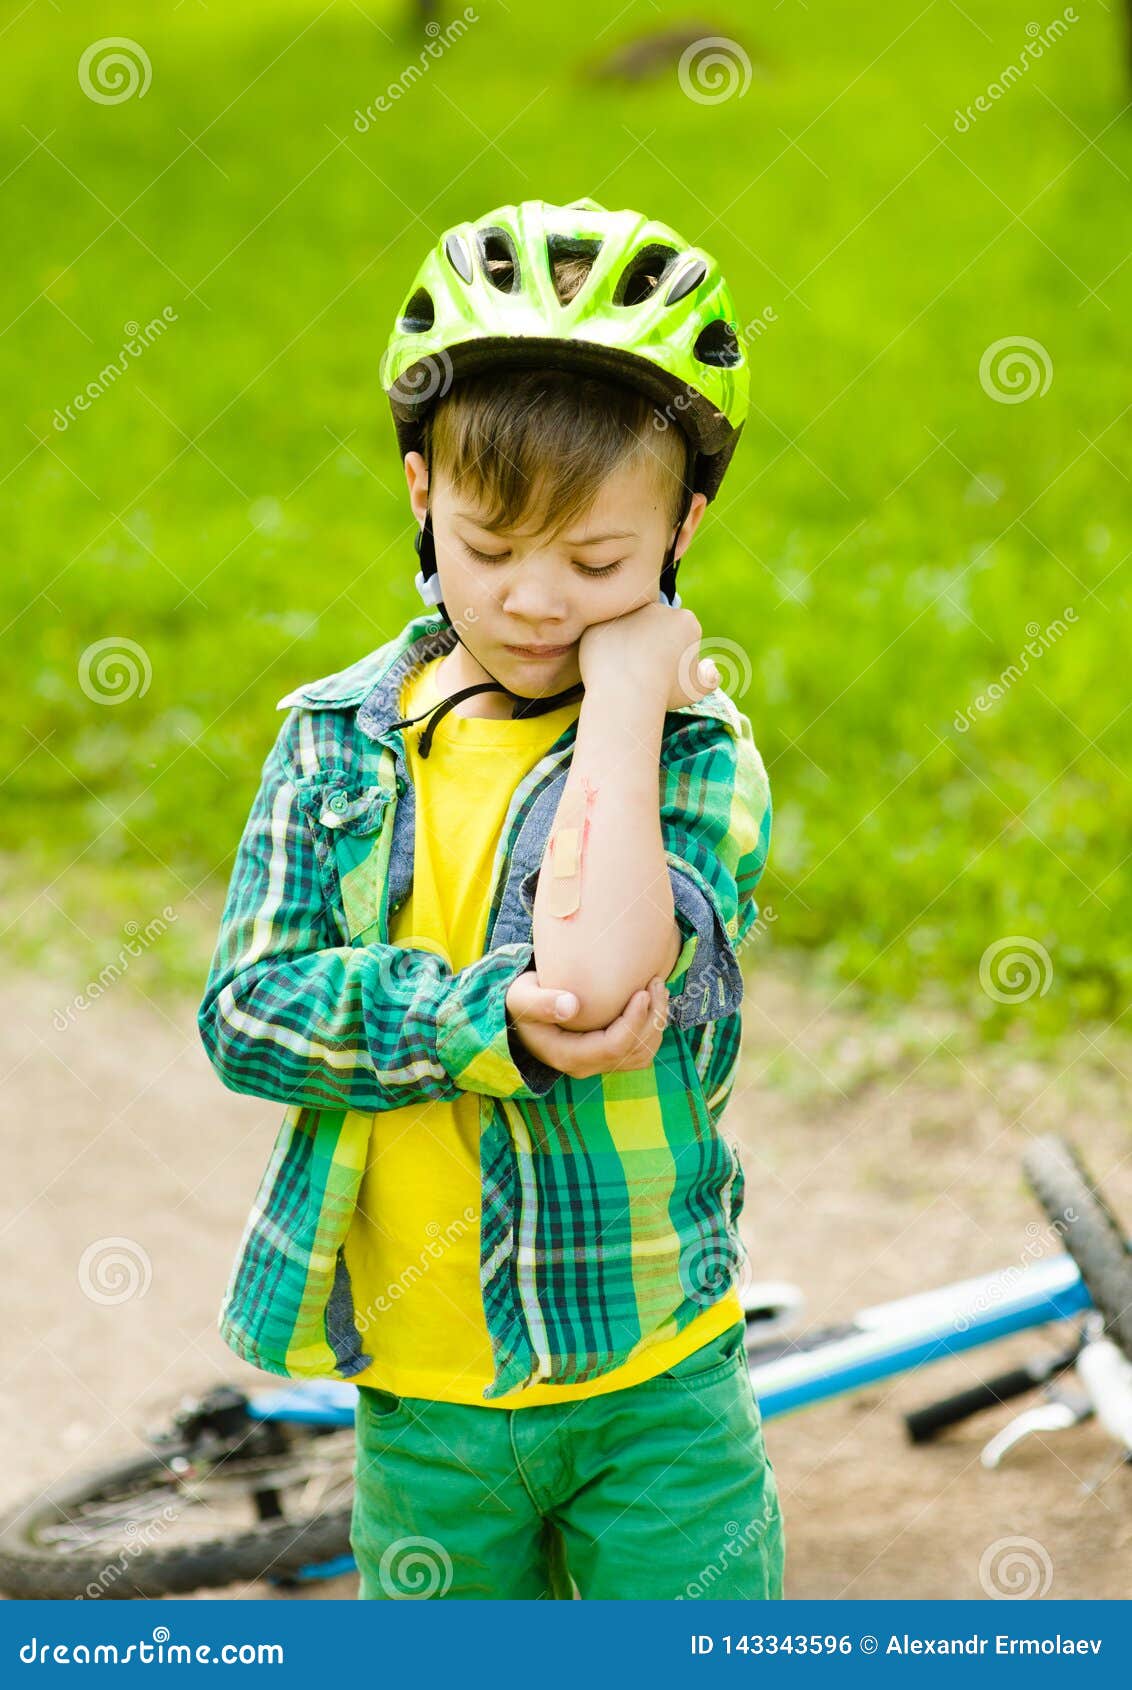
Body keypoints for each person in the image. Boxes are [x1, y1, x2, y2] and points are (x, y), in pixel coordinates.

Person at [197, 196, 783, 1601]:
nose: (532, 602)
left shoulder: (696, 755)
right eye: (488, 544)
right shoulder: (337, 742)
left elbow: (592, 977)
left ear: (681, 532)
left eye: (595, 566)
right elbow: (245, 1012)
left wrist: (632, 695)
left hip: (653, 1373)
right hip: (426, 1393)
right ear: (418, 496)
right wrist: (472, 1017)